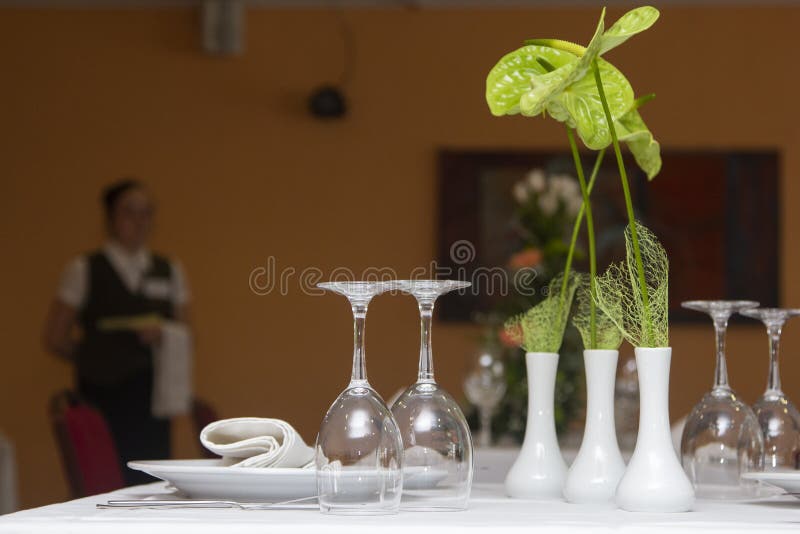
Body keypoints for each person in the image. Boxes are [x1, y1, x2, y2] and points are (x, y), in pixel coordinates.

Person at [43, 179, 191, 485]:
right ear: (110, 218)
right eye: (130, 212)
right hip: (101, 395)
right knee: (103, 478)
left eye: (147, 212)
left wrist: (164, 333)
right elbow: (55, 336)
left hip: (153, 397)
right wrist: (96, 354)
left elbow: (186, 330)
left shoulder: (169, 269)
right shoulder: (84, 268)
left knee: (151, 480)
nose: (140, 221)